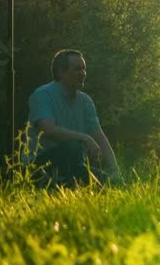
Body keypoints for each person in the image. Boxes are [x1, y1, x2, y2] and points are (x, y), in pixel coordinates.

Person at [25, 49, 121, 185]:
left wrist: (115, 171)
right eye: (77, 69)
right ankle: (64, 186)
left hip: (74, 165)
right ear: (61, 72)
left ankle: (76, 184)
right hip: (39, 166)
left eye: (84, 69)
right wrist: (84, 138)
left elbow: (100, 137)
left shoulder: (86, 101)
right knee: (73, 148)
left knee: (114, 183)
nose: (83, 73)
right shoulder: (42, 95)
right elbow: (47, 130)